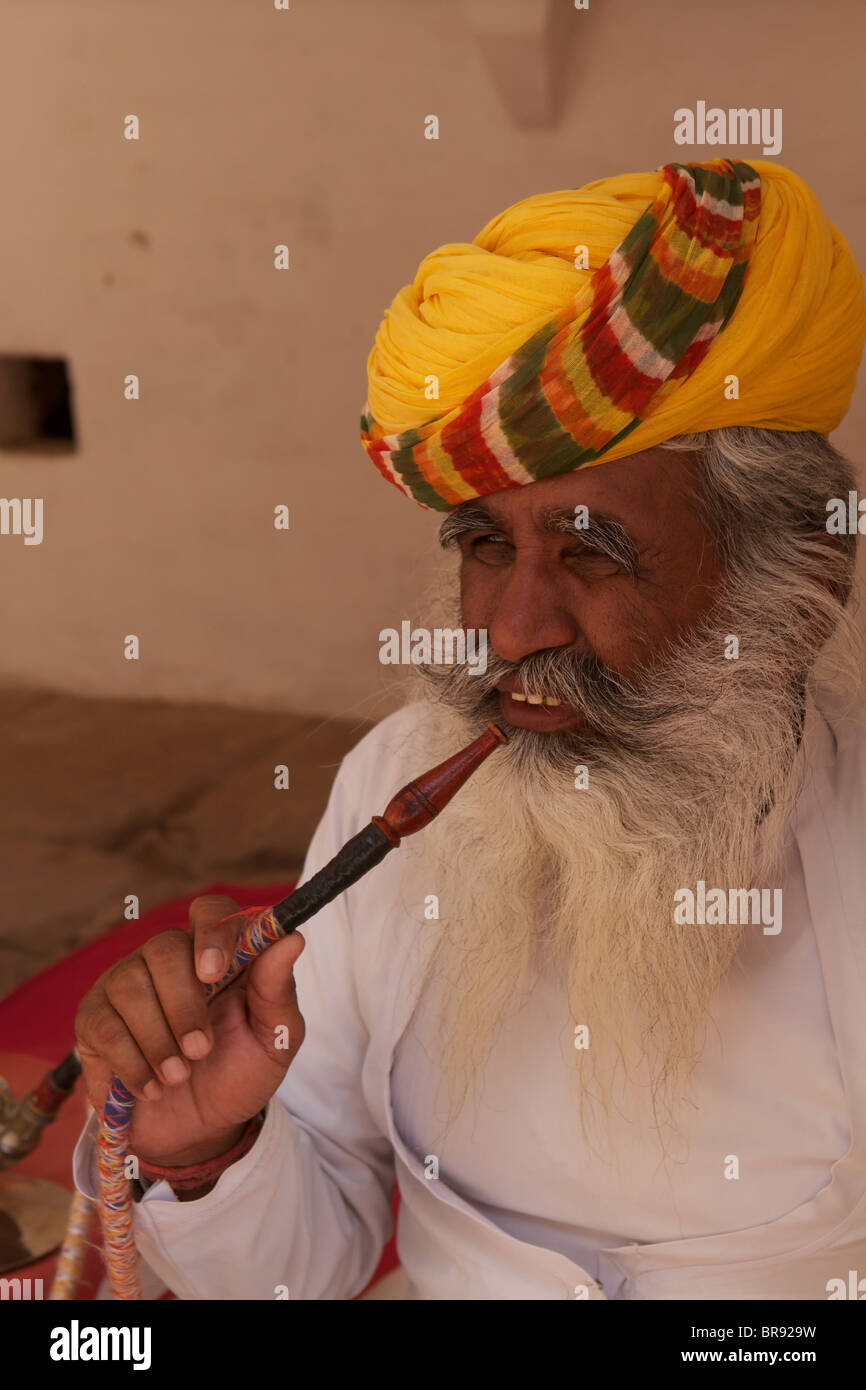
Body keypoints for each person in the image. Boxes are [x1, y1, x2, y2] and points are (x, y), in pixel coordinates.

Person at [73, 158, 866, 1299]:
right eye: (485, 545)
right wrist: (211, 1148)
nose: (507, 628)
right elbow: (300, 1270)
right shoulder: (396, 781)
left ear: (794, 592)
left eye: (591, 552)